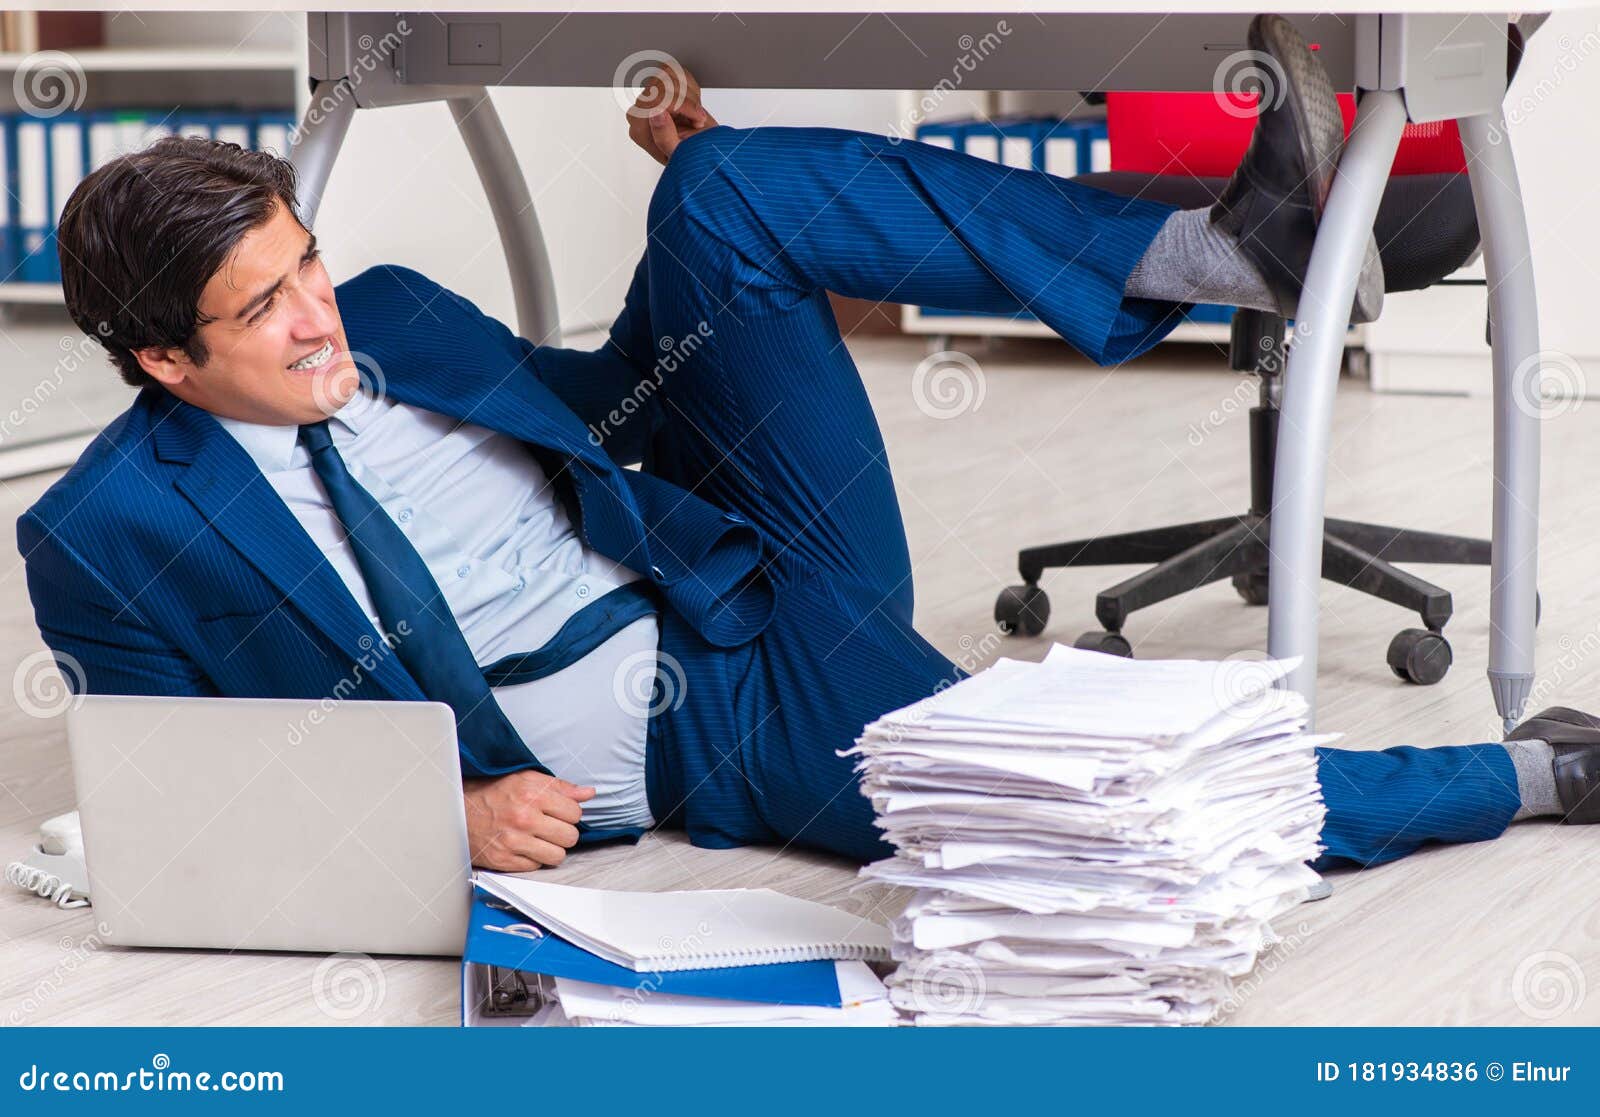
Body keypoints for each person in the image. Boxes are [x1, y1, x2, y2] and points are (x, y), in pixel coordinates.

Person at [19, 16, 1598, 876]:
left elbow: (615, 401)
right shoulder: (107, 531)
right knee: (1089, 806)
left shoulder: (395, 312)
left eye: (309, 262)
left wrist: (731, 242)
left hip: (727, 558)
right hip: (715, 722)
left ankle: (1209, 257)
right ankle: (1524, 774)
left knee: (726, 192)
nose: (323, 316)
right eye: (270, 310)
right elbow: (177, 795)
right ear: (164, 357)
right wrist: (440, 819)